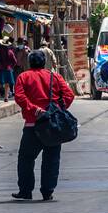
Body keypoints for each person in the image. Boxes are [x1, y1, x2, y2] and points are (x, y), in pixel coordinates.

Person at [11, 50, 76, 201]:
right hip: (53, 125)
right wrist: (58, 110)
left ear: (29, 62)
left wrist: (34, 109)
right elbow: (69, 95)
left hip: (32, 125)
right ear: (44, 61)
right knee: (51, 159)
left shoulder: (23, 77)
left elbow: (19, 97)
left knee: (26, 158)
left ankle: (26, 191)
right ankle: (47, 191)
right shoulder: (55, 76)